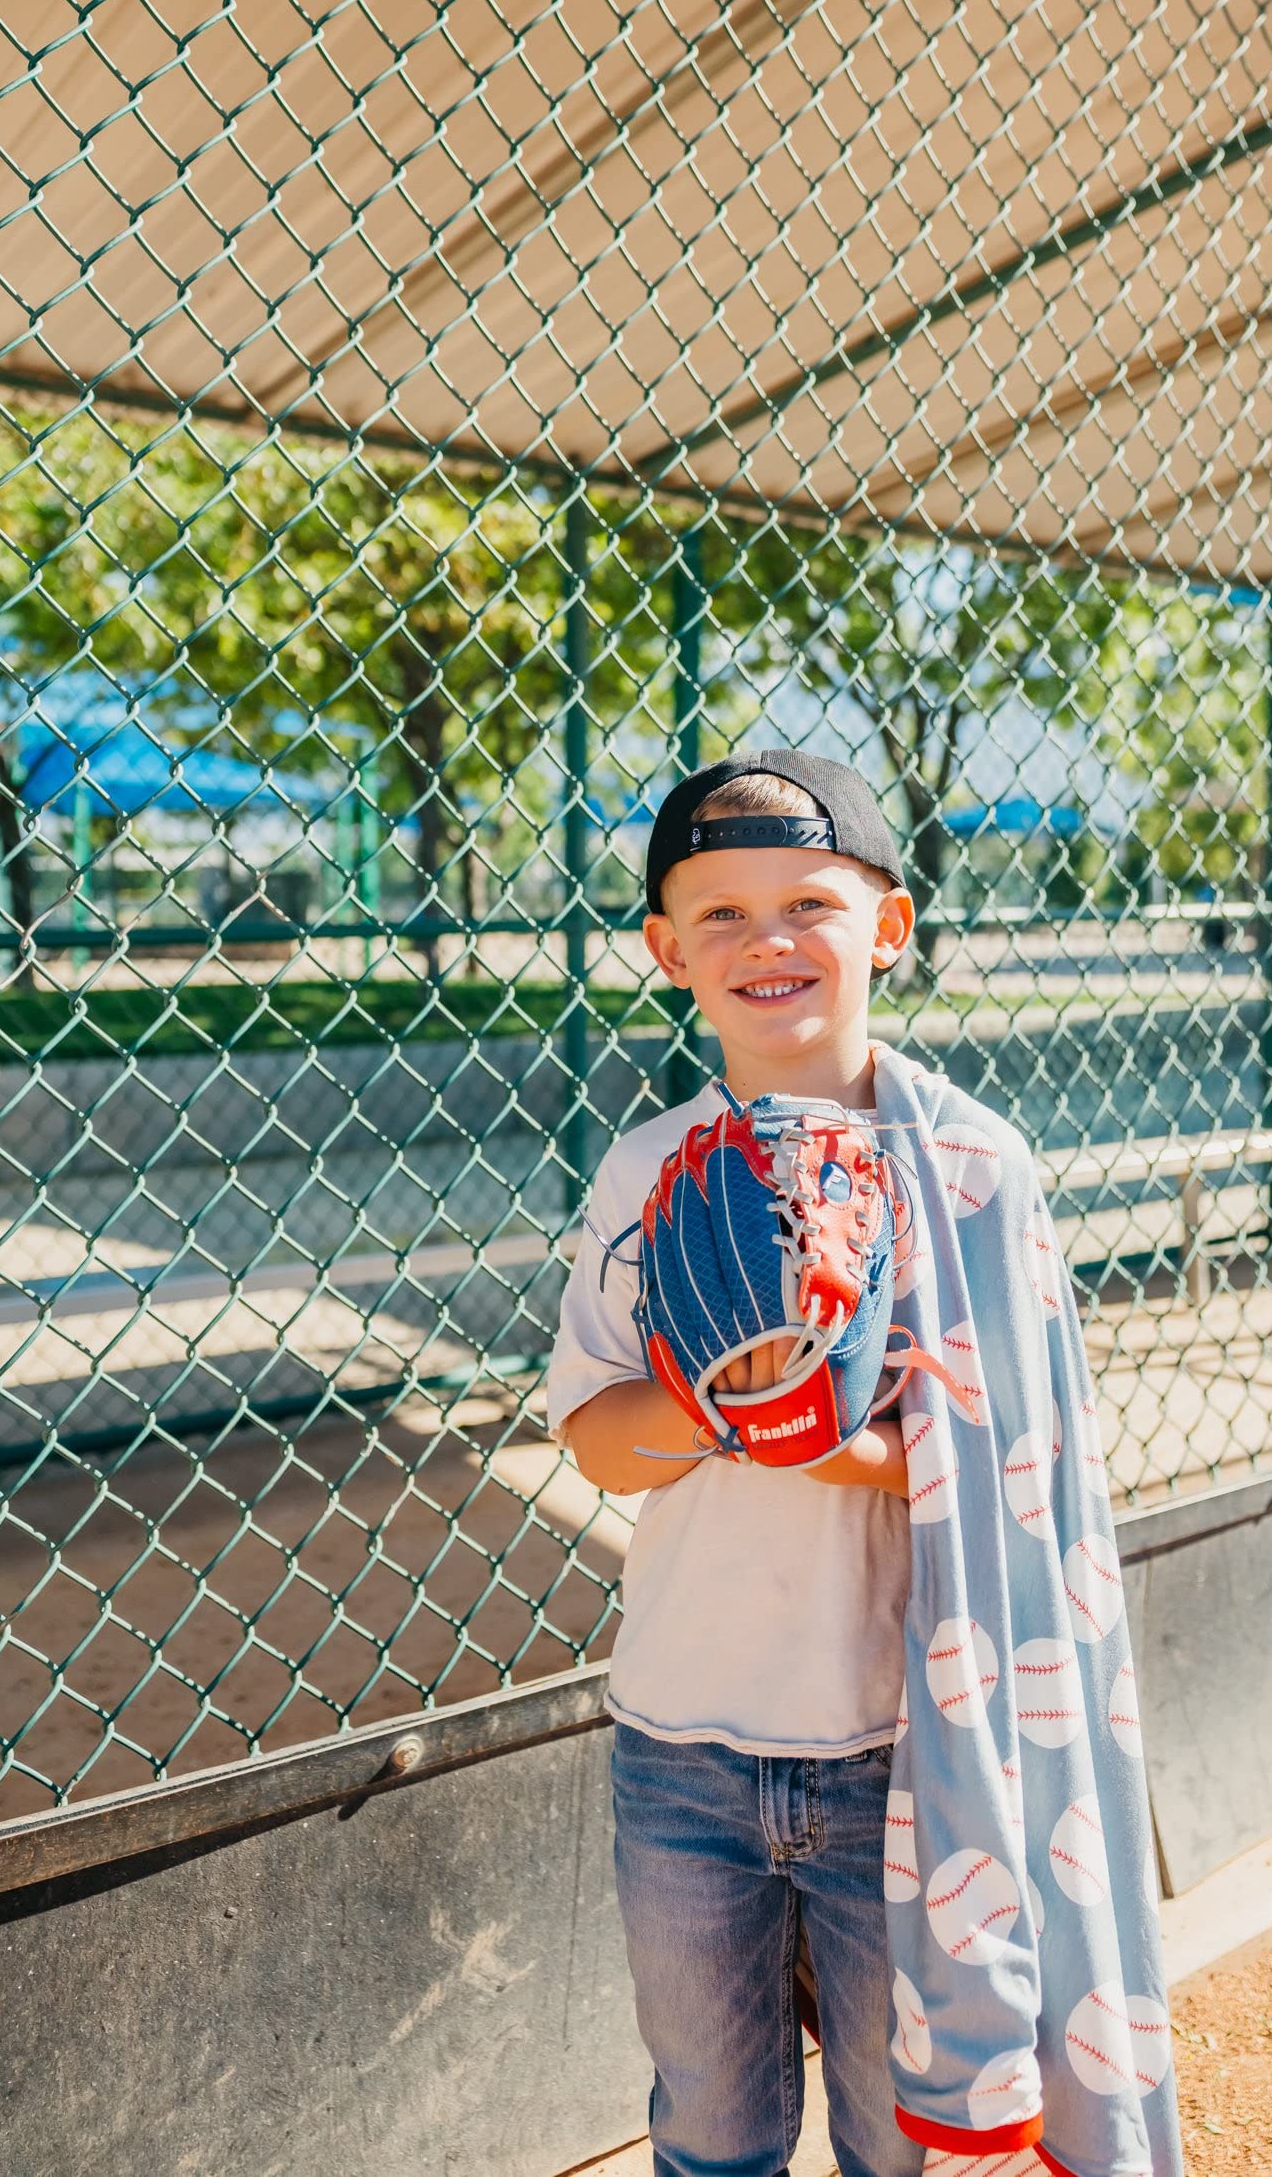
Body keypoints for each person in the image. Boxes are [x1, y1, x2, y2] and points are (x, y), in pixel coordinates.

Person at [545, 751, 939, 2176]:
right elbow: (598, 1443)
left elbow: (1020, 1463)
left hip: (904, 1748)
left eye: (808, 903)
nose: (767, 941)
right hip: (685, 1749)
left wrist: (823, 1431)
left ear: (887, 928)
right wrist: (723, 1406)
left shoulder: (963, 1170)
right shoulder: (647, 1171)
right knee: (711, 2127)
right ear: (666, 953)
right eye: (719, 915)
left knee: (908, 2134)